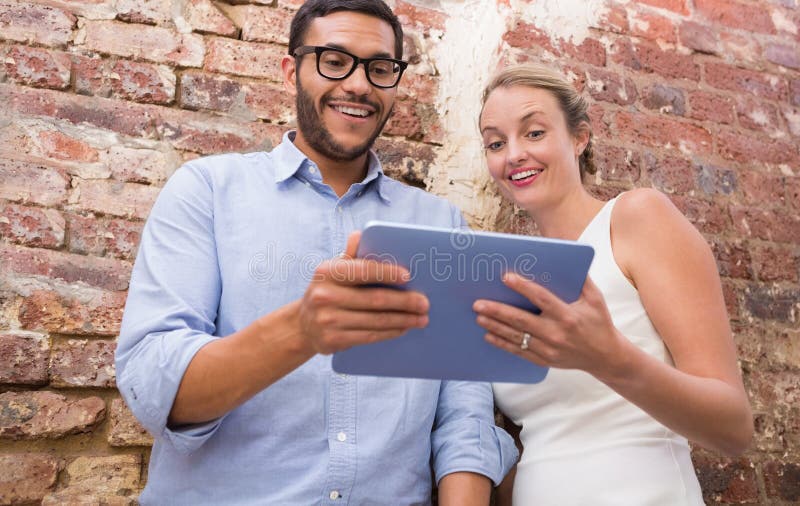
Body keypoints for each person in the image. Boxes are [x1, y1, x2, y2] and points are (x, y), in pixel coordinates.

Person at [115, 1, 517, 504]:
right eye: (334, 60)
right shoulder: (207, 191)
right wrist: (300, 331)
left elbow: (464, 414)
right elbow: (156, 391)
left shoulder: (439, 224)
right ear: (291, 71)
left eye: (379, 68)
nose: (358, 84)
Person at [472, 63, 754, 505]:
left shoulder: (636, 218)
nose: (512, 155)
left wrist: (609, 358)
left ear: (579, 138)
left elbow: (734, 429)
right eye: (495, 142)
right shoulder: (514, 278)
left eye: (533, 133)